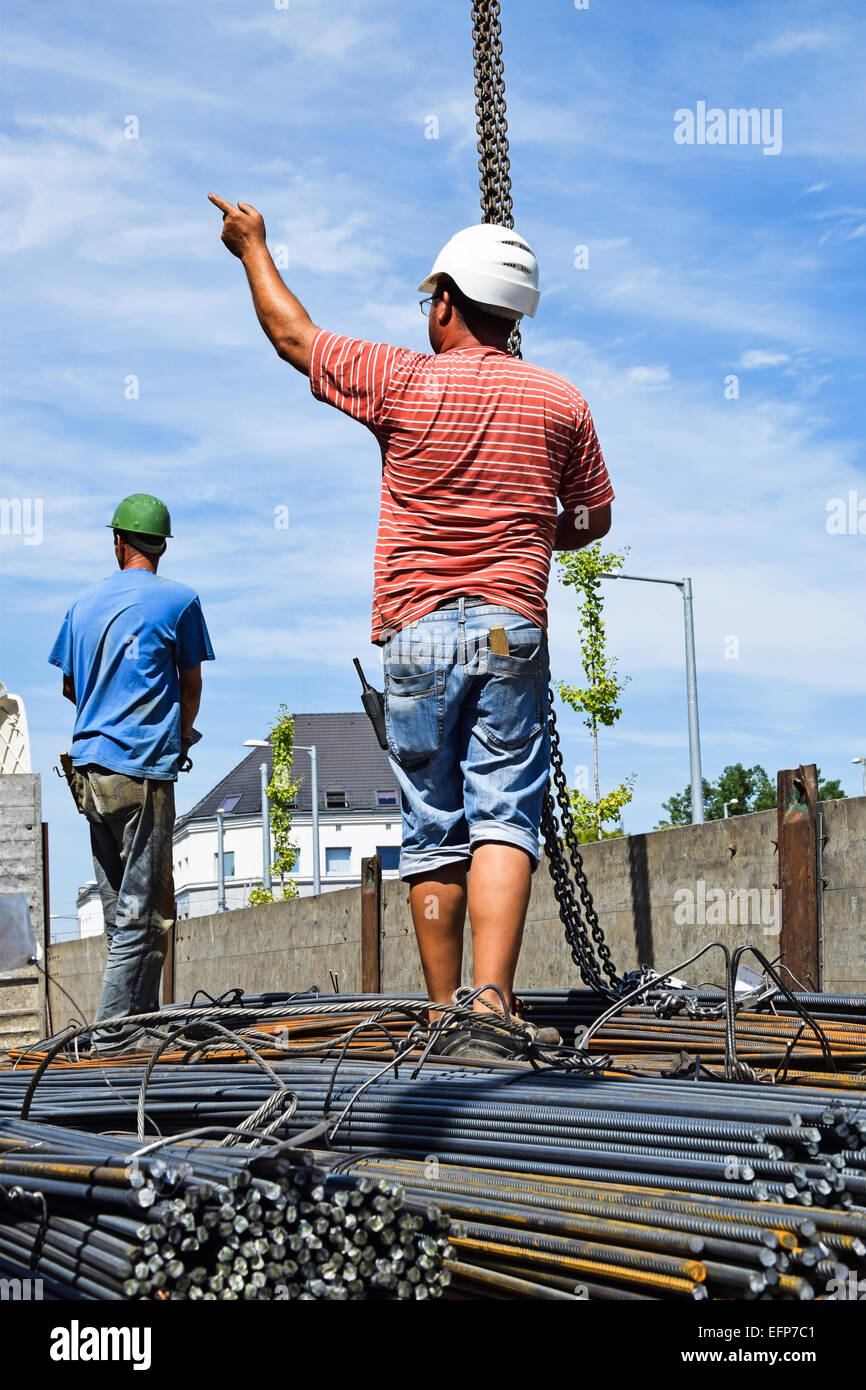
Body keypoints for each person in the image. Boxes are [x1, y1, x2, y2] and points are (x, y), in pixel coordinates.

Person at [209, 195, 613, 1056]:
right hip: (511, 630)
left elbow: (296, 339)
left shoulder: (402, 380)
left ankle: (441, 1014)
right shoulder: (561, 402)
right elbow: (594, 518)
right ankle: (493, 1006)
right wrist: (538, 528)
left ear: (447, 302)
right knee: (508, 813)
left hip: (420, 631)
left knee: (434, 822)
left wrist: (252, 249)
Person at [49, 494, 214, 1055]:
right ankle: (110, 1037)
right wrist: (180, 734)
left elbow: (71, 687)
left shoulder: (81, 604)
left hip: (89, 774)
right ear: (161, 546)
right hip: (142, 772)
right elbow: (190, 686)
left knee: (127, 911)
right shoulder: (180, 601)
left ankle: (136, 1028)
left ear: (118, 542)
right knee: (144, 913)